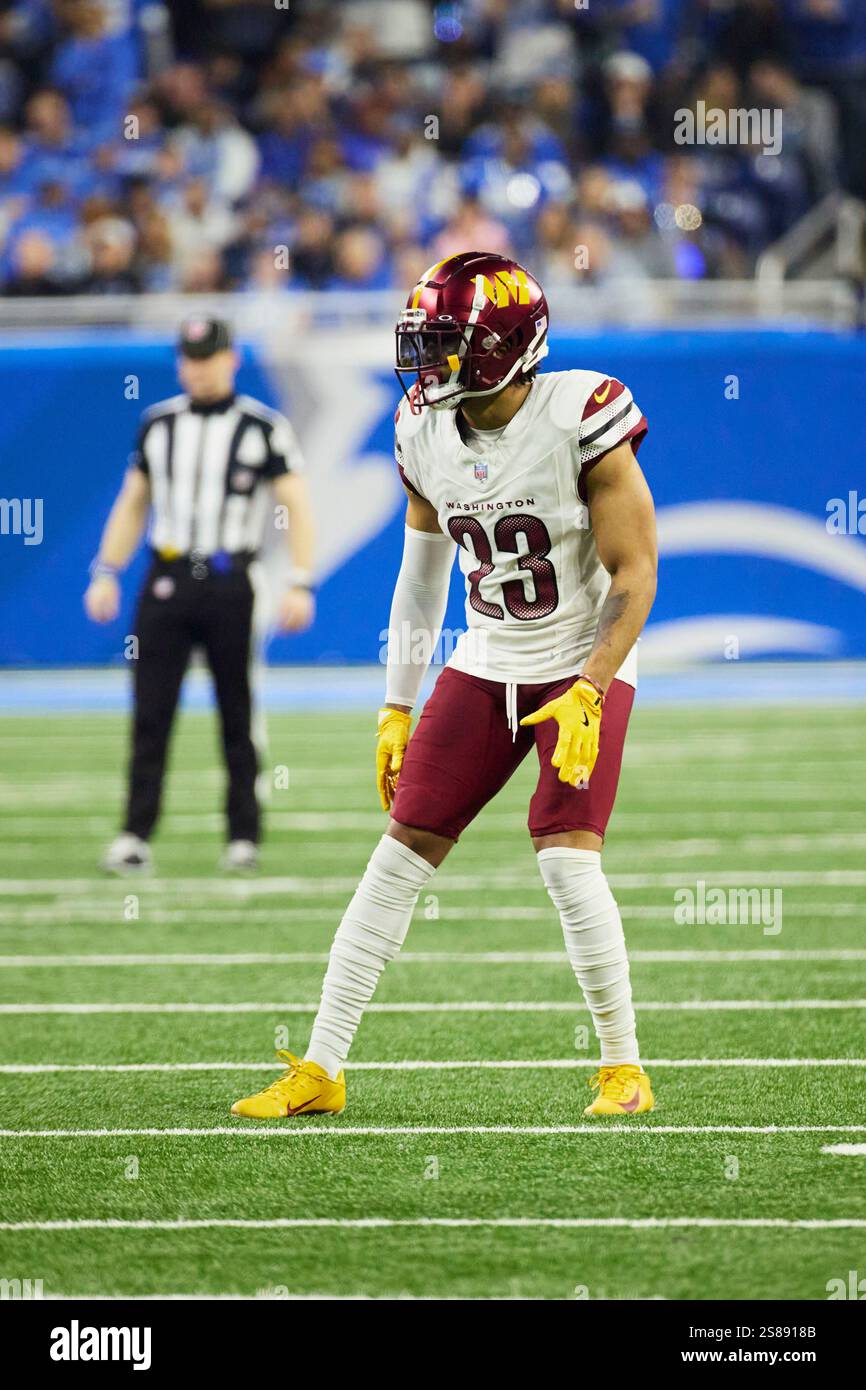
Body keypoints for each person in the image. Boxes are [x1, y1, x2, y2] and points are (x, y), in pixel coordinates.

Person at [231, 251, 657, 1119]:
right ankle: (322, 1067)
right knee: (398, 852)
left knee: (566, 856)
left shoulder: (580, 413)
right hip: (489, 653)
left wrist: (591, 688)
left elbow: (635, 571)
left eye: (446, 342)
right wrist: (397, 703)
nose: (427, 361)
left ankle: (623, 1067)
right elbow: (420, 578)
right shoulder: (422, 427)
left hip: (579, 654)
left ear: (503, 348)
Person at [84, 316, 315, 874]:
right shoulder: (157, 423)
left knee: (238, 708)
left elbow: (296, 504)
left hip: (233, 579)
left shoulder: (262, 426)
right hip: (166, 579)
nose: (199, 367)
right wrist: (106, 569)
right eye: (190, 357)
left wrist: (300, 579)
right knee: (151, 711)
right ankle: (135, 833)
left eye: (208, 356)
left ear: (231, 359)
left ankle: (243, 834)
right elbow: (133, 501)